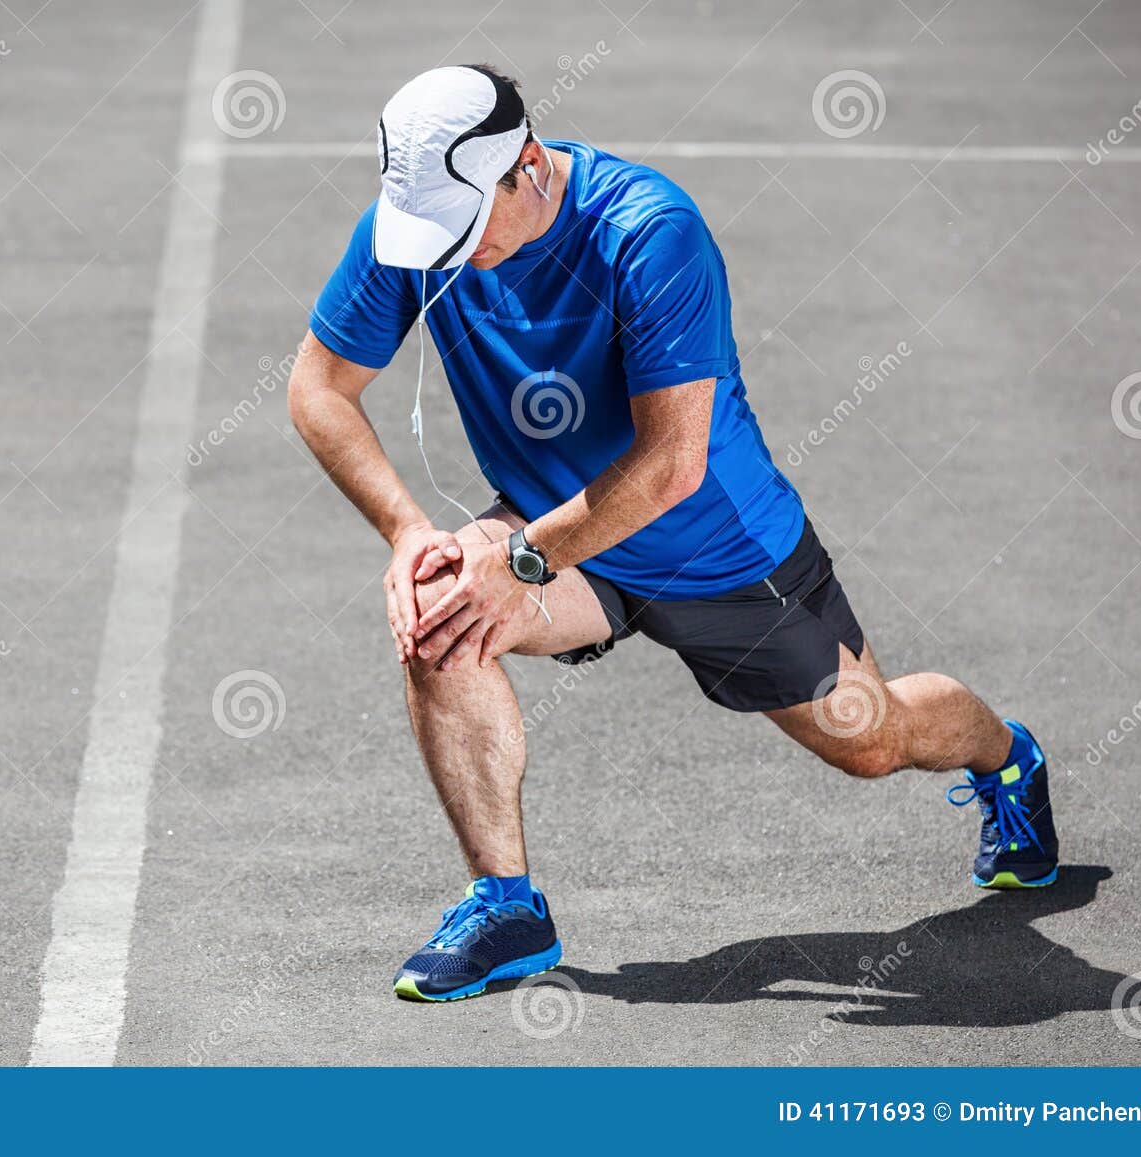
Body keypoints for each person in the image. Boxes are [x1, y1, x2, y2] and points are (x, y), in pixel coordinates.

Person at [287, 64, 1059, 1004]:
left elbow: (671, 464)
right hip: (556, 531)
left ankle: (1006, 757)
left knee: (873, 741)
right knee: (440, 614)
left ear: (526, 165)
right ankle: (507, 904)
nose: (447, 251)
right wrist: (410, 534)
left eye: (466, 224)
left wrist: (521, 560)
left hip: (717, 549)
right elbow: (319, 388)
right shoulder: (413, 229)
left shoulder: (648, 233)